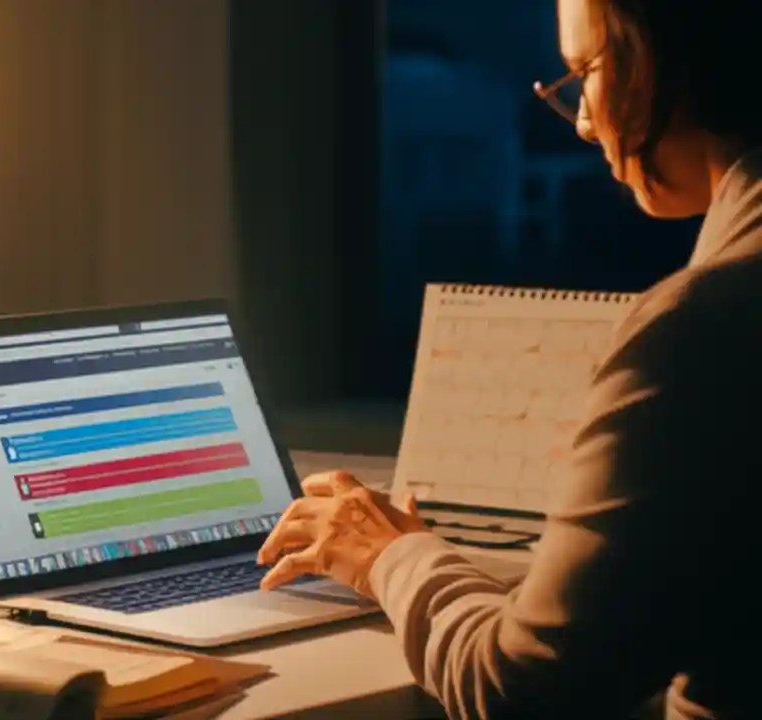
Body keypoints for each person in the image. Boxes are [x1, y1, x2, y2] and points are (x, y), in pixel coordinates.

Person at [256, 1, 762, 718]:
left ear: (651, 66)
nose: (585, 122)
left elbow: (524, 690)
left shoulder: (700, 329)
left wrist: (388, 558)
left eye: (585, 72)